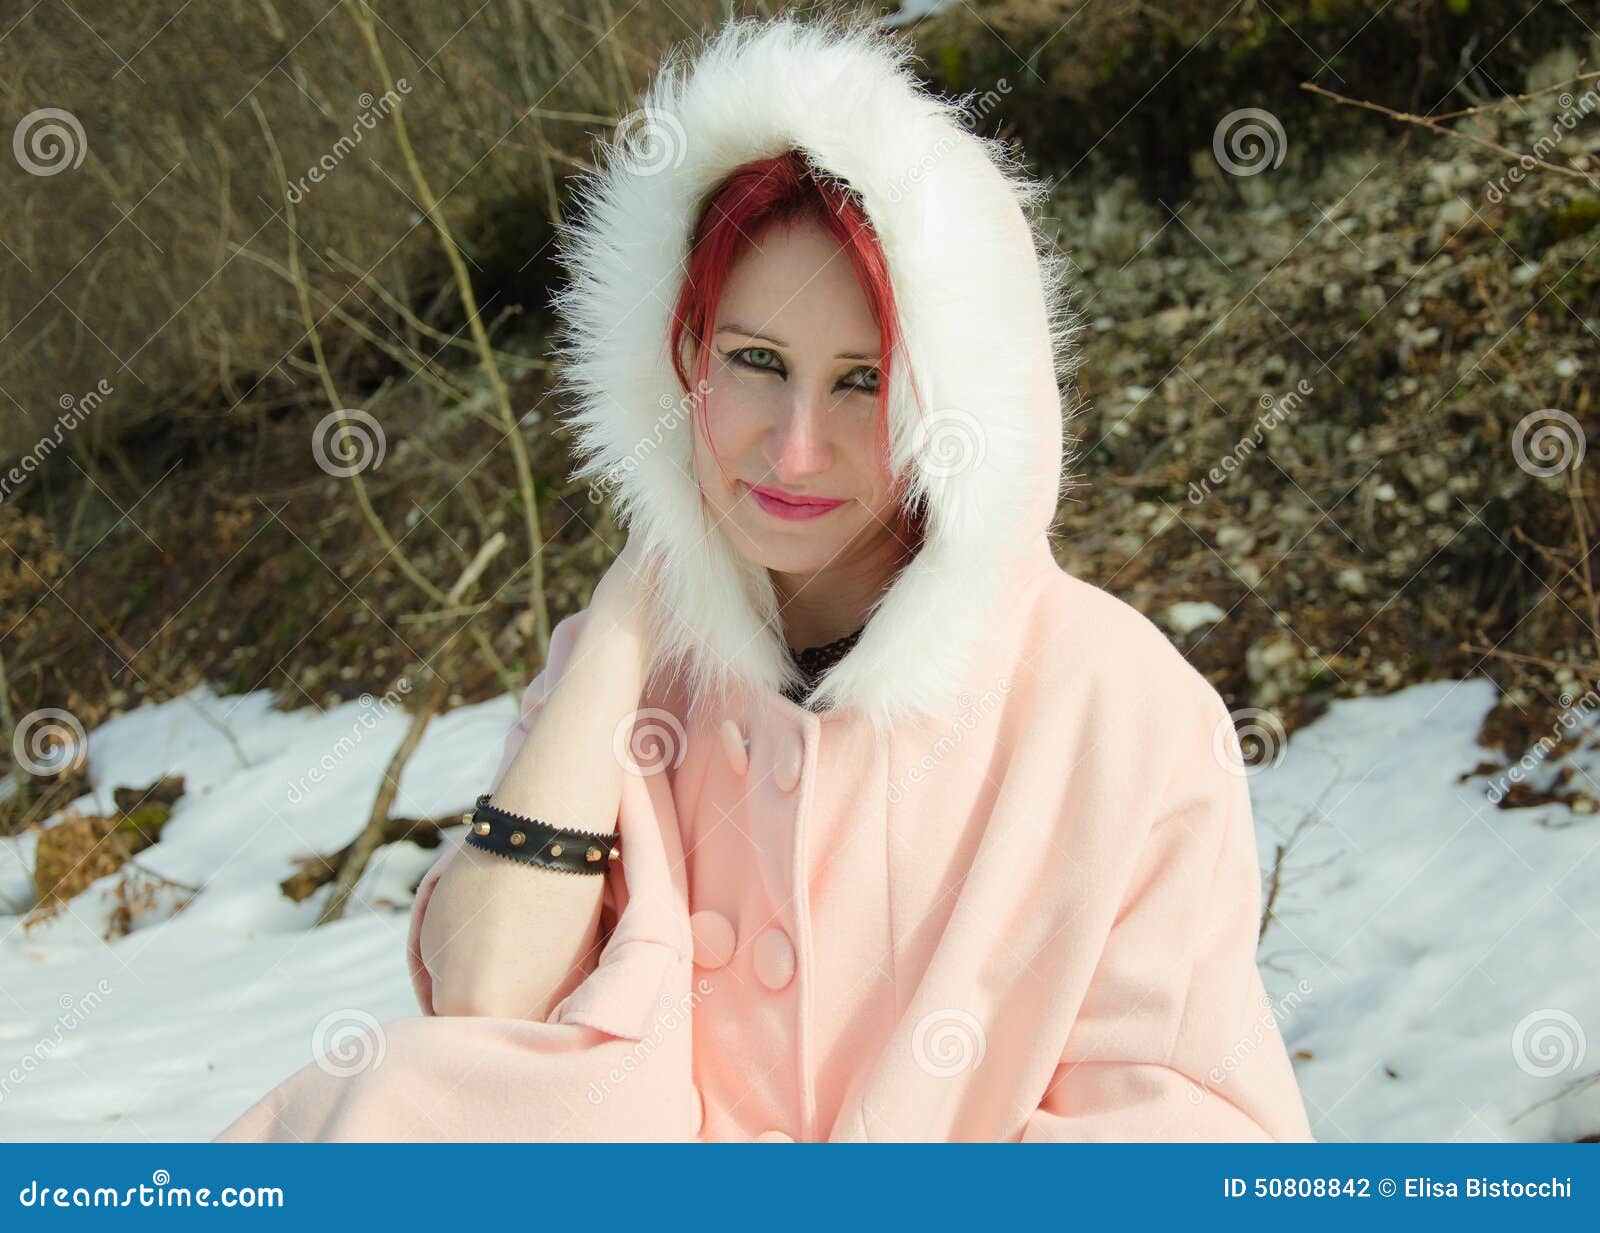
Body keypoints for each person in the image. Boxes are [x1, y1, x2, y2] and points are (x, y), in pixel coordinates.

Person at [214, 11, 1314, 1143]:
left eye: (861, 381)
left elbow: (1188, 1143)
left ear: (953, 402)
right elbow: (484, 1005)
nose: (794, 450)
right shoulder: (635, 675)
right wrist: (630, 613)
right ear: (680, 359)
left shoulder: (1115, 704)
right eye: (754, 362)